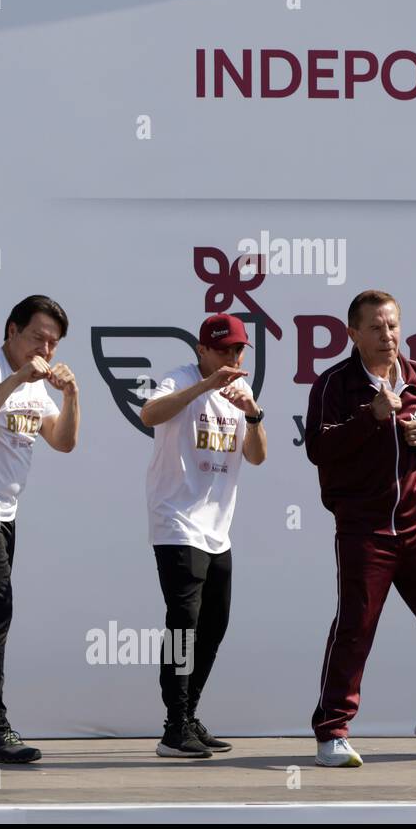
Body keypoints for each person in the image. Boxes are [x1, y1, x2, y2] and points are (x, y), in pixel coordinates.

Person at [305, 290, 416, 767]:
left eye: (393, 326)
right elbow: (319, 448)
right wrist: (372, 417)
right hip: (366, 531)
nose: (387, 336)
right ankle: (332, 732)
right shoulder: (334, 385)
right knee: (356, 626)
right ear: (353, 333)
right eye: (377, 328)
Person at [0, 295, 79, 763]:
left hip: (4, 516)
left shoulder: (39, 384)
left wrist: (71, 395)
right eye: (36, 337)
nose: (44, 349)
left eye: (53, 342)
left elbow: (62, 442)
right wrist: (18, 379)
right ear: (12, 330)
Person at [140, 313, 267, 758]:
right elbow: (150, 413)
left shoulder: (242, 390)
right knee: (183, 626)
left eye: (237, 350)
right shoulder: (181, 379)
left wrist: (252, 416)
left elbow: (258, 456)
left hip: (218, 529)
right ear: (202, 350)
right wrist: (204, 388)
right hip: (176, 522)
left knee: (214, 625)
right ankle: (173, 726)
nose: (231, 358)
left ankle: (188, 715)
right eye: (223, 349)